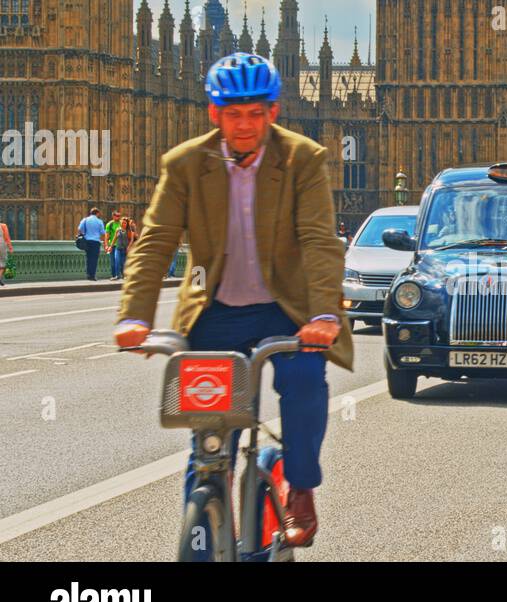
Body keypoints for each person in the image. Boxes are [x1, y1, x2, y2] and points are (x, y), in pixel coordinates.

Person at [114, 52, 354, 550]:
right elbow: (155, 241)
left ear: (273, 112)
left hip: (284, 307)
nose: (244, 125)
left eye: (254, 113)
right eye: (233, 113)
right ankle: (201, 528)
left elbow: (318, 240)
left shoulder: (303, 159)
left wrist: (325, 314)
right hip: (216, 310)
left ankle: (302, 489)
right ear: (213, 113)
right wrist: (134, 316)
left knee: (304, 377)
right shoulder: (184, 164)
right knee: (207, 436)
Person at [78, 208, 106, 281]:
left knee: (88, 258)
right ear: (97, 213)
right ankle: (92, 276)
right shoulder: (99, 221)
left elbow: (80, 228)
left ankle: (88, 274)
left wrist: (84, 233)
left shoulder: (85, 219)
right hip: (96, 242)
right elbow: (103, 232)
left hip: (87, 241)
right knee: (94, 259)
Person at [106, 211, 123, 280]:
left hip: (120, 245)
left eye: (119, 216)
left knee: (119, 261)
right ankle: (114, 275)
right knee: (113, 262)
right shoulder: (110, 224)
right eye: (117, 216)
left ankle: (119, 275)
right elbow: (107, 236)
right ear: (113, 216)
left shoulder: (122, 223)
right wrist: (107, 245)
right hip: (112, 245)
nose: (118, 217)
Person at [0, 220, 12, 286]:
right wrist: (10, 247)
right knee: (3, 263)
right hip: (1, 245)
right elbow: (7, 237)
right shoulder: (3, 226)